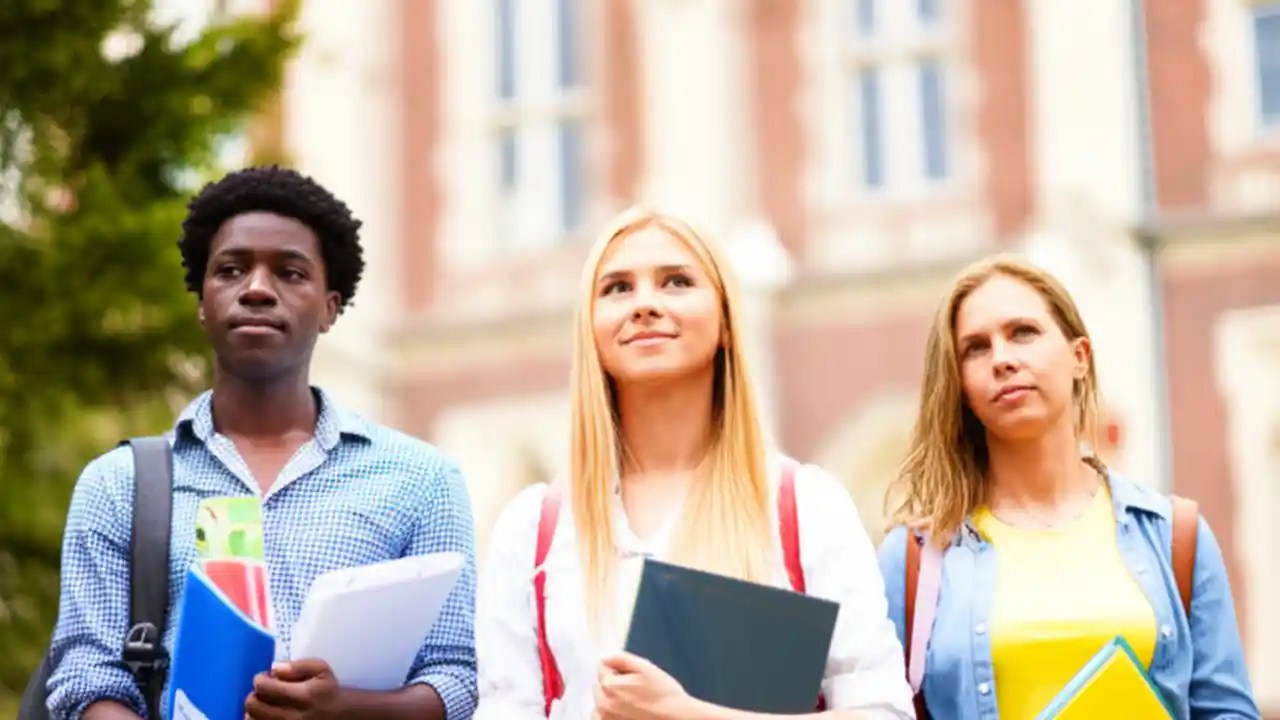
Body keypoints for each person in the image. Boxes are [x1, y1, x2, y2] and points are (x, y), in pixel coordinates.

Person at [45, 166, 478, 720]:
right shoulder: (119, 485)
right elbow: (85, 676)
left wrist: (343, 708)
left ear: (329, 308)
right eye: (230, 269)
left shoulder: (422, 481)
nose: (255, 289)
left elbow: (456, 679)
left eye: (290, 273)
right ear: (202, 301)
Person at [474, 208, 914, 719]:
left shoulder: (804, 507)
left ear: (726, 321)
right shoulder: (534, 529)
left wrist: (688, 713)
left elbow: (882, 711)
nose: (645, 304)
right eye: (617, 288)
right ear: (590, 328)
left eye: (676, 282)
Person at [878, 254, 1259, 718]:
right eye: (976, 348)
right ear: (960, 386)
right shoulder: (917, 560)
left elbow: (1226, 711)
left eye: (1023, 332)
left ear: (1079, 357)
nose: (1002, 359)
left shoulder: (1174, 538)